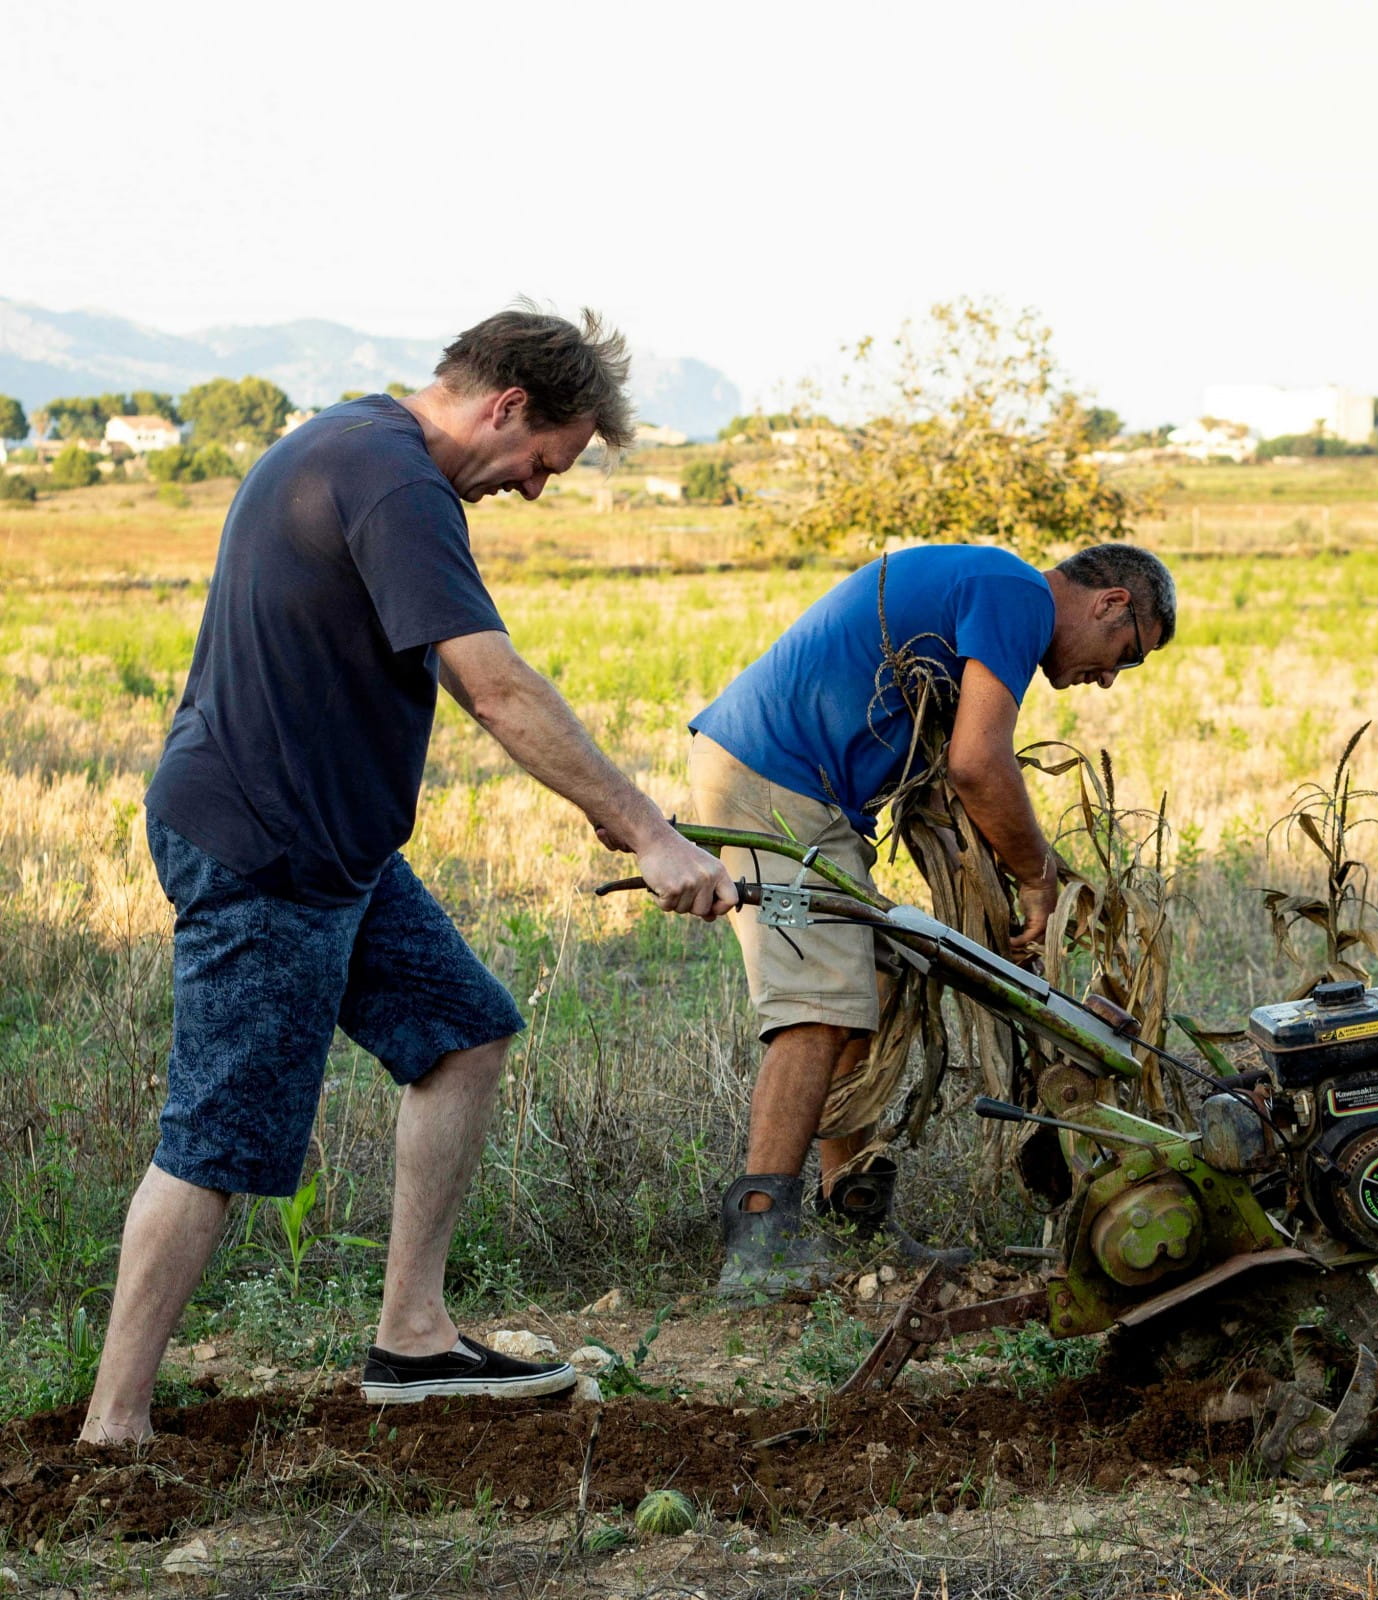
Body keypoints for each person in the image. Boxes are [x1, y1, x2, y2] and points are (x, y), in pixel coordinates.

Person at [78, 304, 737, 1445]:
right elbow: (497, 686)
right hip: (269, 845)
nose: (534, 488)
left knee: (459, 1026)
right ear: (508, 405)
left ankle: (414, 1338)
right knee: (220, 1137)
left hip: (332, 844)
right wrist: (647, 830)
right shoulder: (398, 485)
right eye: (546, 461)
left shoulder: (345, 444)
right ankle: (111, 1424)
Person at [688, 541, 1176, 1297]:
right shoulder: (1016, 595)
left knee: (867, 997)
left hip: (798, 791)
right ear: (1111, 602)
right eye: (1128, 653)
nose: (1108, 676)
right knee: (816, 1010)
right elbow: (977, 764)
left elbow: (955, 778)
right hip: (772, 784)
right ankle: (758, 1244)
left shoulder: (996, 592)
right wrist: (1039, 879)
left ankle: (853, 1219)